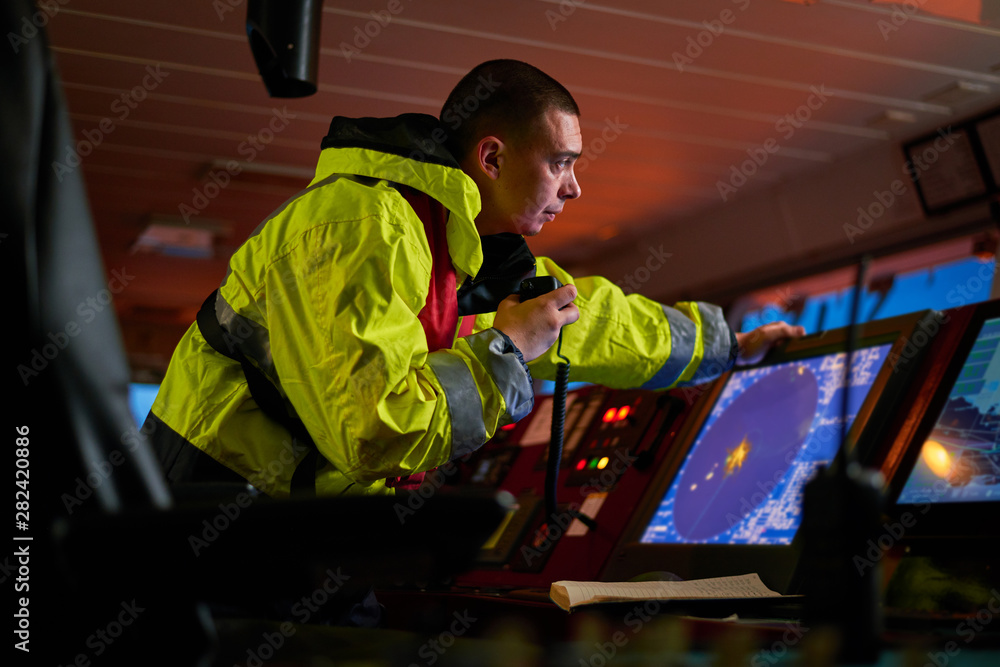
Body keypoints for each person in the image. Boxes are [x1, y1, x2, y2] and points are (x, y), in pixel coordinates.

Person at [146, 59, 802, 498]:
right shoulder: (360, 226)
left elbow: (590, 319)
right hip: (210, 528)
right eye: (561, 162)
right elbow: (377, 432)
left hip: (304, 531)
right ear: (492, 155)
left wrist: (728, 347)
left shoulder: (464, 249)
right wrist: (506, 350)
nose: (574, 187)